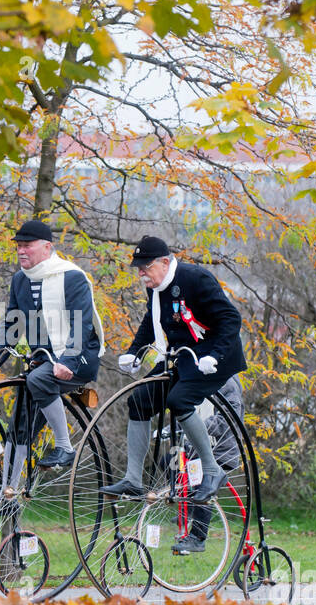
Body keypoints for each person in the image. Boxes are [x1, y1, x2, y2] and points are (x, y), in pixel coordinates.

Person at [0, 218, 105, 519]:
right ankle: (7, 495)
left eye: (27, 245)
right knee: (18, 427)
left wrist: (67, 363)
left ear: (47, 247)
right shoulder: (20, 280)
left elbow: (81, 325)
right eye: (18, 246)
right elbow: (11, 325)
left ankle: (65, 447)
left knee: (40, 378)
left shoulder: (72, 277)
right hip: (43, 364)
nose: (21, 251)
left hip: (79, 359)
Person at [101, 235, 245, 505]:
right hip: (180, 356)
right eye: (139, 269)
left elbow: (230, 318)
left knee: (179, 401)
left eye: (146, 267)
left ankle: (211, 470)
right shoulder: (156, 287)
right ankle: (133, 479)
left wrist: (215, 354)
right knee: (139, 400)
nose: (142, 273)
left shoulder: (196, 278)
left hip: (215, 358)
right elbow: (151, 318)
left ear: (165, 262)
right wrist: (134, 351)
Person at [162, 373, 244, 554]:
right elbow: (187, 415)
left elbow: (227, 419)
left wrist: (198, 426)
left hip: (220, 449)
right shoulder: (198, 380)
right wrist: (168, 430)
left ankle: (198, 537)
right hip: (197, 448)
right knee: (168, 461)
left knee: (199, 477)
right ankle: (190, 507)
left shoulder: (227, 382)